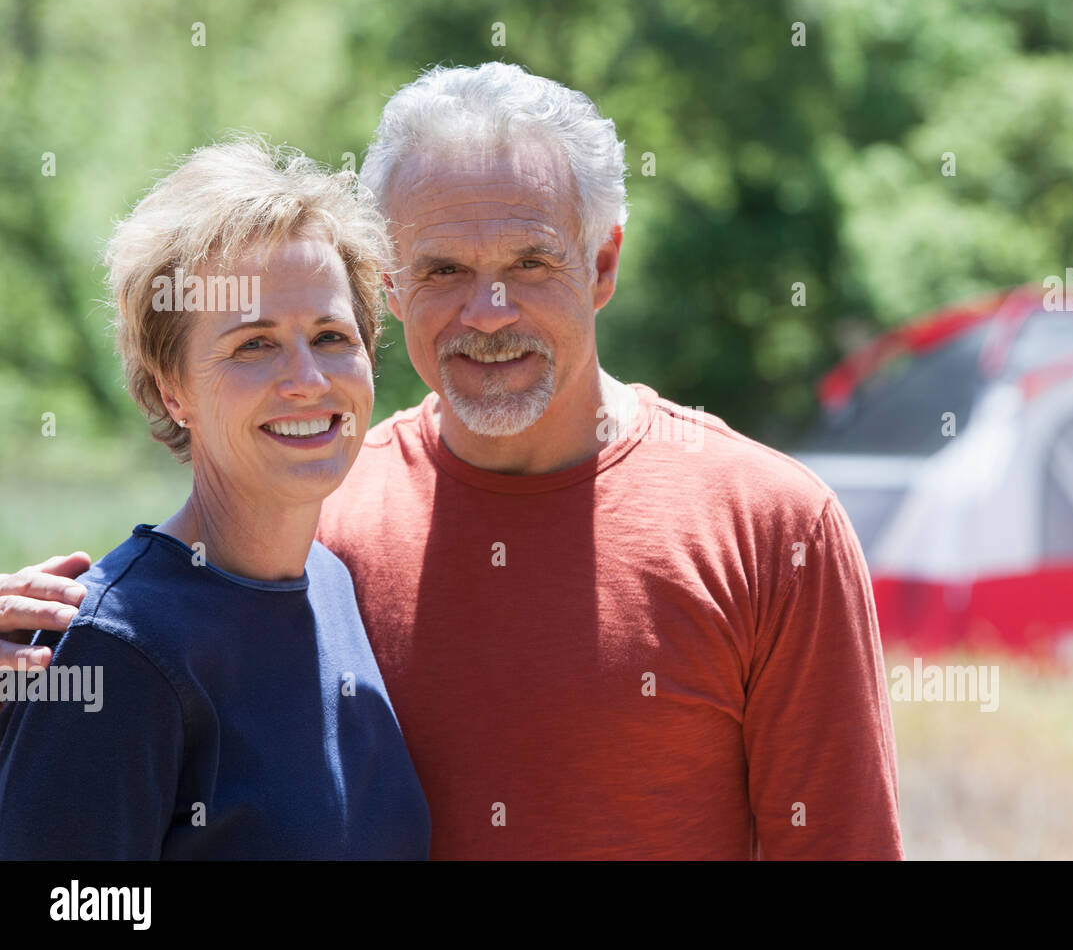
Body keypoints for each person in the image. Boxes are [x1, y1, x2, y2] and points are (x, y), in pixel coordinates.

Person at [2, 63, 902, 859]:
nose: (488, 312)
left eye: (530, 260)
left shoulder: (773, 529)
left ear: (602, 263)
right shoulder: (329, 520)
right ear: (393, 286)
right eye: (441, 271)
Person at [0, 140, 430, 859]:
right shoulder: (114, 648)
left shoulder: (332, 585)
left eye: (330, 336)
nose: (307, 380)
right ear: (174, 388)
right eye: (253, 345)